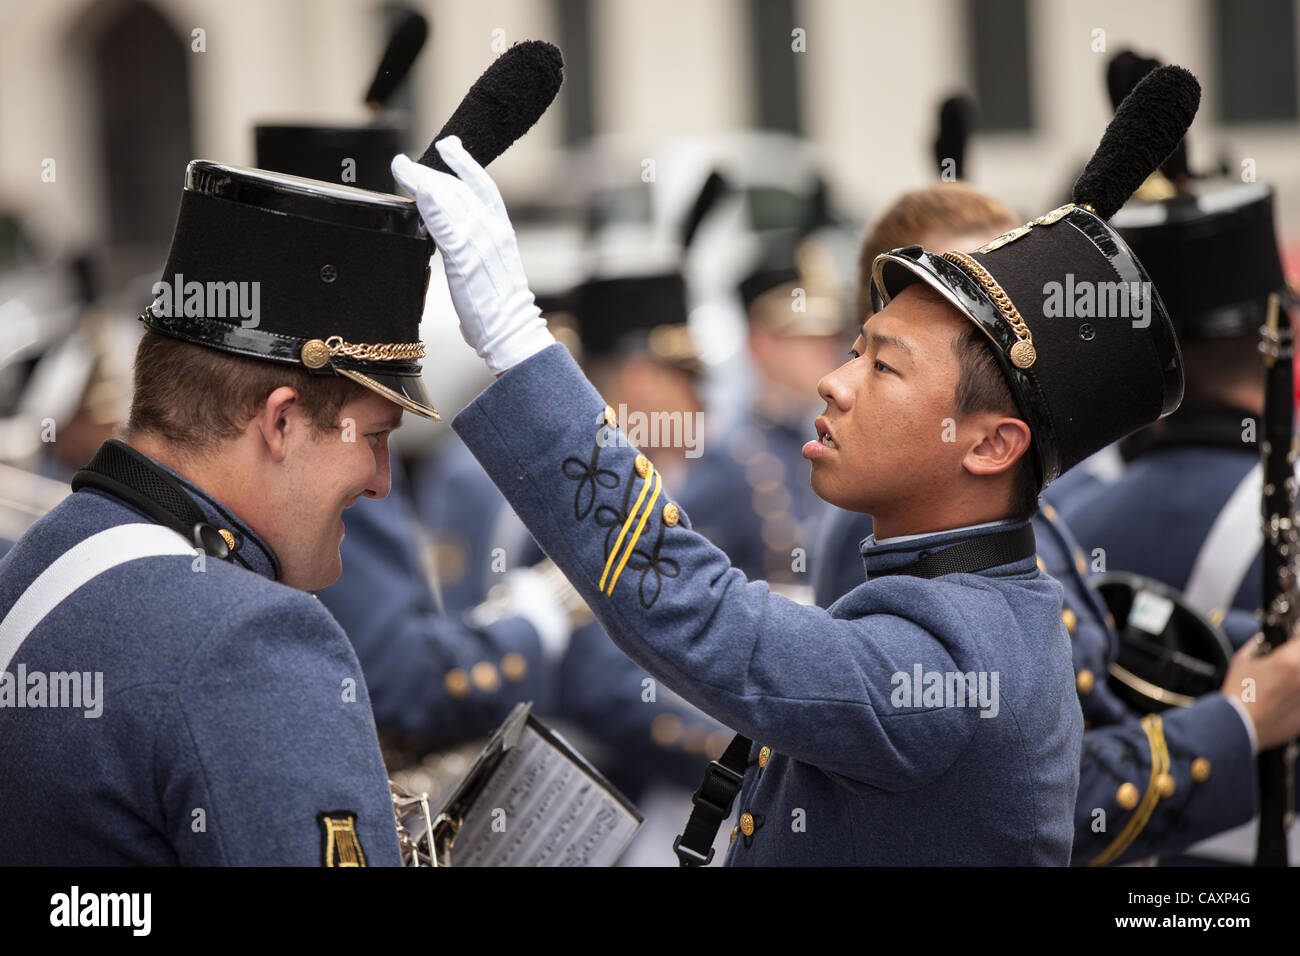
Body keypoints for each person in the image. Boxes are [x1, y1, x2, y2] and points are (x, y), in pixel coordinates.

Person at [389, 62, 1196, 864]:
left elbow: (706, 619)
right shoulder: (949, 601)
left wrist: (516, 337)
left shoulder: (958, 657)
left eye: (884, 367)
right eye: (855, 349)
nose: (833, 381)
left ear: (989, 445)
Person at [813, 181, 1300, 866]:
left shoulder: (1026, 502)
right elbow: (1028, 794)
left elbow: (1092, 666)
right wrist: (1237, 726)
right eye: (966, 310)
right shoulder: (873, 522)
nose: (1016, 339)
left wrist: (1243, 649)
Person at [0, 162, 439, 865]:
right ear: (283, 423)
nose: (382, 482)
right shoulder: (251, 643)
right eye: (376, 439)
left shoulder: (40, 553)